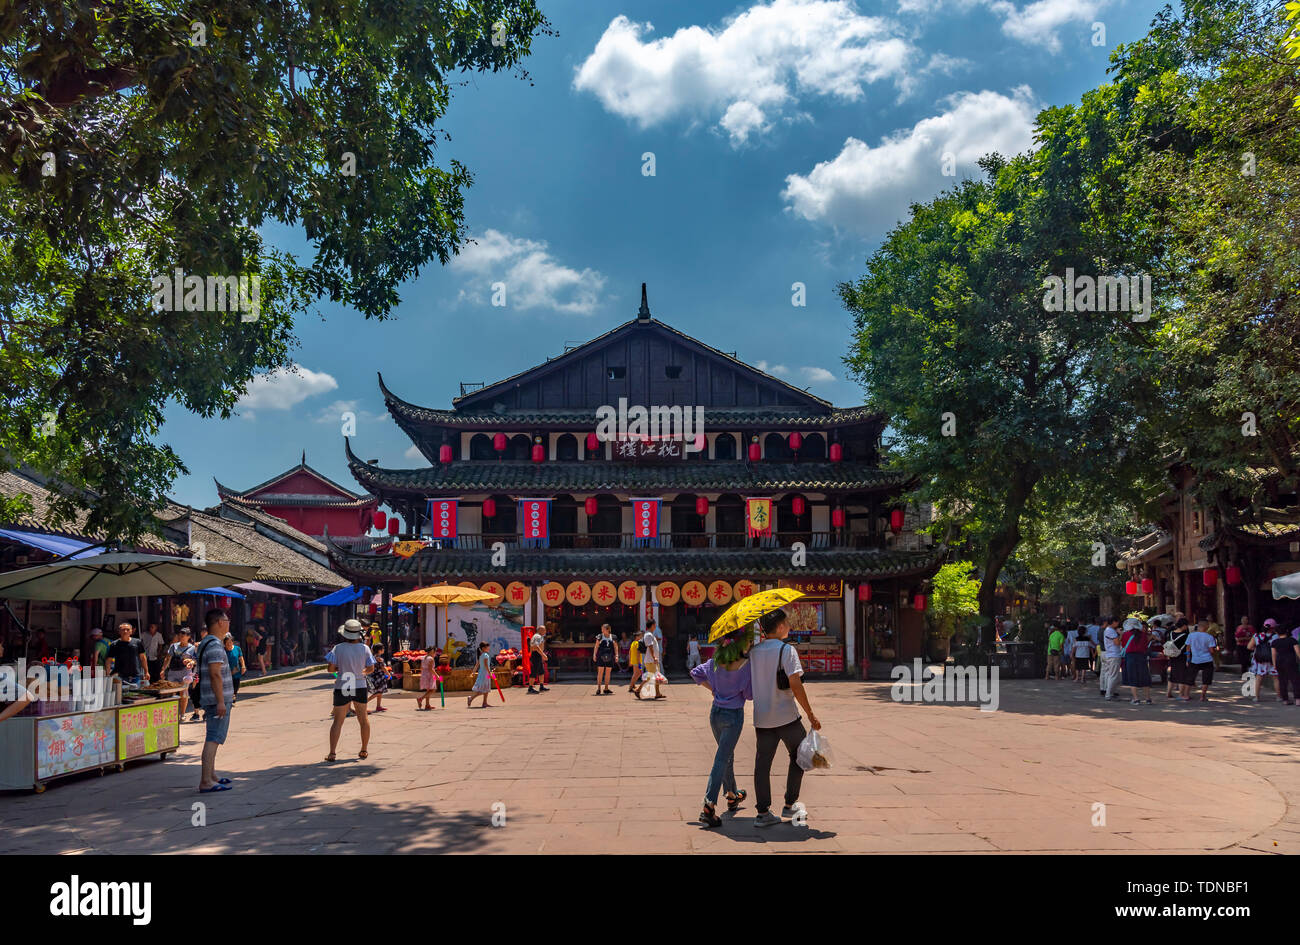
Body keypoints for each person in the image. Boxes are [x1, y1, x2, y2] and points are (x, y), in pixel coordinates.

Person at [748, 609, 820, 827]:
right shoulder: (787, 650)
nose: (789, 626)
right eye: (787, 623)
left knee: (762, 764)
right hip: (786, 716)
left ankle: (762, 812)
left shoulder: (754, 651)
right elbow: (795, 684)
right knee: (800, 756)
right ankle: (789, 804)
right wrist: (810, 713)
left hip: (762, 717)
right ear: (779, 627)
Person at [689, 628, 754, 828]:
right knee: (721, 758)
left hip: (715, 714)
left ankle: (732, 795)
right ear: (742, 644)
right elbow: (749, 695)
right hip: (733, 716)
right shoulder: (745, 666)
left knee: (726, 755)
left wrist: (714, 689)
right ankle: (709, 804)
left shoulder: (714, 663)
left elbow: (695, 673)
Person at [196, 609, 235, 793]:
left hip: (212, 697)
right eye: (226, 620)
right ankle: (206, 781)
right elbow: (215, 674)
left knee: (214, 736)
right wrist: (220, 701)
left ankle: (211, 775)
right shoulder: (214, 645)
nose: (228, 623)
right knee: (213, 738)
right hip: (216, 699)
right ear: (220, 622)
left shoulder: (208, 642)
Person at [325, 619, 374, 761]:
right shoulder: (365, 648)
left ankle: (332, 753)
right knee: (363, 719)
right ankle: (364, 750)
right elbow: (371, 668)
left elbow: (330, 669)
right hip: (359, 684)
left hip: (343, 683)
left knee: (338, 721)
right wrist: (361, 672)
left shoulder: (337, 648)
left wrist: (341, 668)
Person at [160, 628, 197, 719]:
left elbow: (195, 660)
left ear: (188, 637)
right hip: (173, 672)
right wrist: (163, 669)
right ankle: (172, 714)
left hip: (185, 673)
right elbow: (168, 658)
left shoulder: (192, 648)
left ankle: (182, 714)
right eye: (180, 635)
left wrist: (191, 662)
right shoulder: (174, 646)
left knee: (183, 694)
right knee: (172, 693)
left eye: (183, 636)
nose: (181, 637)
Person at [1181, 618, 1218, 701]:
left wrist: (1188, 659)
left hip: (1195, 659)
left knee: (1190, 677)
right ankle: (1202, 696)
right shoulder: (1209, 637)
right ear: (1206, 626)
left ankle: (1186, 695)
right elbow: (1211, 650)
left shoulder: (1191, 635)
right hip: (1207, 660)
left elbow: (1187, 648)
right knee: (1206, 679)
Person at [1120, 617, 1152, 705]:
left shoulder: (1126, 634)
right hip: (1142, 657)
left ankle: (1136, 699)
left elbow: (1123, 645)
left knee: (1132, 677)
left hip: (1130, 657)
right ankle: (1148, 698)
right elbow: (1146, 646)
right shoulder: (1143, 634)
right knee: (1144, 677)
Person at [1247, 618, 1279, 701]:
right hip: (1273, 659)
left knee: (1259, 678)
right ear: (1273, 628)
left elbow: (1249, 647)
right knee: (1275, 678)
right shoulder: (1276, 636)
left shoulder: (1257, 636)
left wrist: (1258, 649)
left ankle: (1257, 697)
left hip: (1260, 660)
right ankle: (1279, 696)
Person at [633, 622, 665, 699]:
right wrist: (654, 657)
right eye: (654, 625)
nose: (655, 626)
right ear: (652, 625)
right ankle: (638, 689)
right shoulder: (648, 635)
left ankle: (657, 693)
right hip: (651, 660)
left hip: (653, 660)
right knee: (651, 677)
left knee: (656, 676)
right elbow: (650, 647)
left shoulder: (650, 634)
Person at [1271, 626, 1300, 705]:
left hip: (1279, 661)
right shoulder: (1292, 640)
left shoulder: (1274, 642)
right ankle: (1298, 699)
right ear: (1286, 631)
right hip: (1291, 661)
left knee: (1282, 681)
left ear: (1277, 633)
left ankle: (1285, 700)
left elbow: (1273, 654)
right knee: (1295, 680)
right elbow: (1298, 652)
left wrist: (1274, 665)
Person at [1164, 618, 1191, 699]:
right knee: (1182, 676)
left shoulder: (1171, 633)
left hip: (1172, 656)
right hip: (1181, 656)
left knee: (1172, 676)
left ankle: (1168, 693)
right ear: (1184, 626)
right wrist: (1188, 658)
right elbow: (1187, 648)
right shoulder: (1186, 635)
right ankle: (1181, 694)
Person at [1100, 616, 1123, 700]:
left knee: (1111, 675)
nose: (1118, 624)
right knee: (1113, 676)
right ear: (1113, 622)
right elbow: (1117, 642)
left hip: (1110, 654)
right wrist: (1121, 634)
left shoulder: (1108, 630)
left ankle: (1110, 693)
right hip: (1114, 655)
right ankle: (1109, 694)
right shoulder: (1111, 631)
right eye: (1117, 622)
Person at [592, 623, 618, 695]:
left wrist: (617, 655)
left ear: (607, 629)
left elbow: (616, 647)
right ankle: (599, 688)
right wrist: (594, 654)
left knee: (608, 673)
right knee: (600, 672)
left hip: (610, 656)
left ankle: (606, 688)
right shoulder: (600, 636)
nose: (602, 630)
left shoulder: (613, 637)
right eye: (602, 628)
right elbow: (596, 646)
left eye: (603, 629)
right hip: (601, 656)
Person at [468, 642, 494, 709]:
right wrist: (490, 673)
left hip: (482, 673)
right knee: (483, 689)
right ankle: (471, 698)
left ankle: (484, 703)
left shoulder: (481, 655)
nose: (488, 648)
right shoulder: (485, 655)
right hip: (485, 673)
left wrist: (473, 672)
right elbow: (486, 665)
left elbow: (477, 665)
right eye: (487, 647)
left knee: (486, 688)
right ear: (483, 648)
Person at [369, 643, 391, 712]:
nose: (384, 649)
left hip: (374, 676)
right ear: (379, 650)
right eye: (383, 648)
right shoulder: (379, 658)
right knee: (379, 692)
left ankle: (378, 706)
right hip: (379, 677)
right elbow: (383, 668)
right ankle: (365, 702)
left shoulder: (373, 657)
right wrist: (389, 674)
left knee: (380, 692)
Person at [224, 633, 246, 698]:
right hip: (227, 671)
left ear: (232, 642)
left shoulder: (237, 649)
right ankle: (230, 696)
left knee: (236, 683)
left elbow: (241, 658)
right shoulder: (223, 650)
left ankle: (234, 695)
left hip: (236, 670)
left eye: (230, 642)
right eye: (227, 643)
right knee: (228, 685)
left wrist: (243, 666)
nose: (229, 644)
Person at [527, 626, 548, 694]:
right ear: (540, 630)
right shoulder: (537, 636)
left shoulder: (539, 636)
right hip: (536, 655)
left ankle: (541, 686)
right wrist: (543, 655)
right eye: (544, 630)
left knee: (541, 671)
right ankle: (530, 688)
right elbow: (536, 647)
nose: (545, 631)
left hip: (538, 654)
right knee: (534, 671)